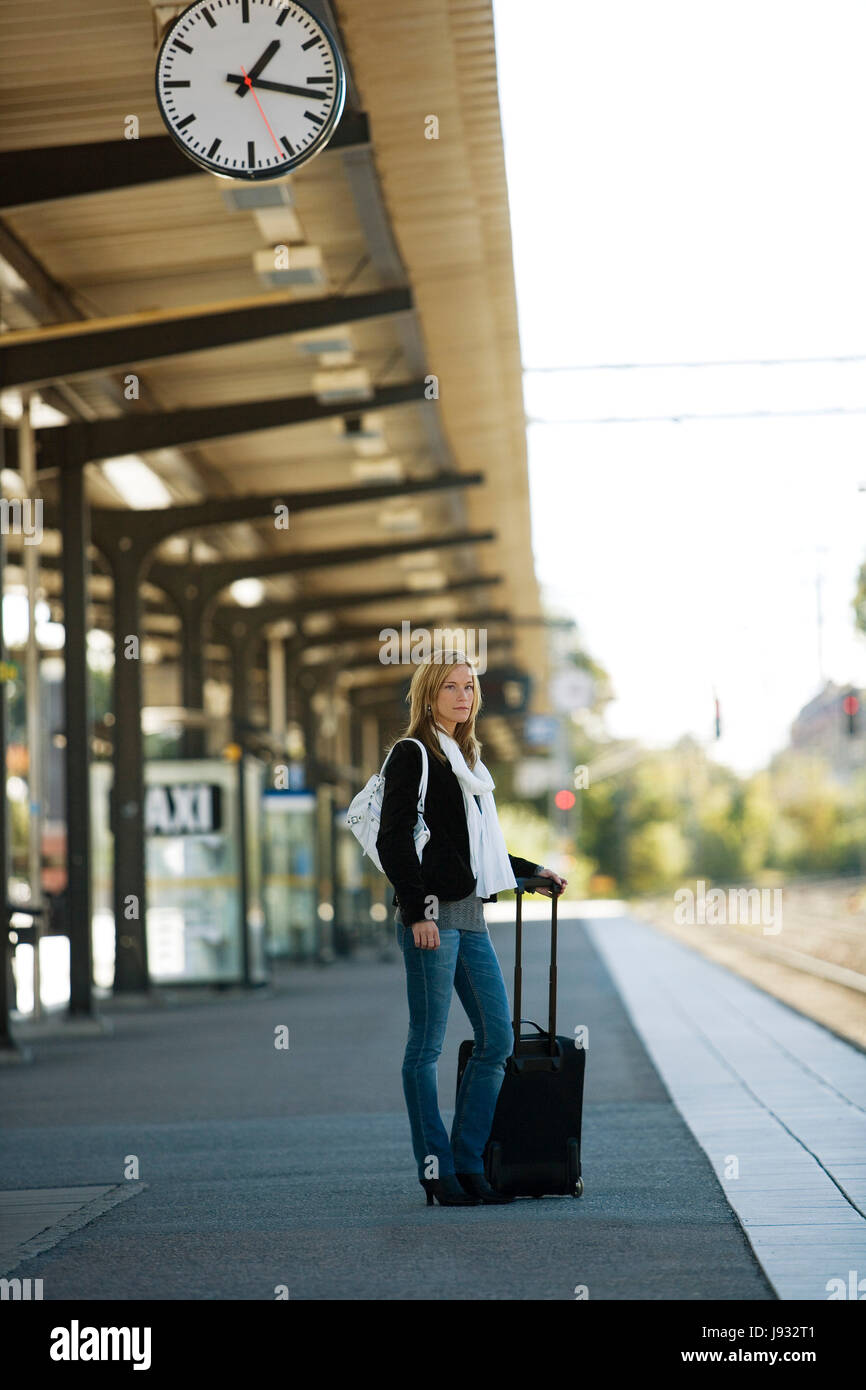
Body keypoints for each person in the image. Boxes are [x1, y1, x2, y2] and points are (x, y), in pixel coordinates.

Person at [376, 652, 567, 1206]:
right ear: (428, 694)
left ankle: (468, 1162)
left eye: (470, 687)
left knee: (498, 1039)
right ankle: (435, 1170)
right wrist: (416, 911)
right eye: (451, 686)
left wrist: (528, 873)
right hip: (433, 915)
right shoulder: (413, 754)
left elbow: (472, 849)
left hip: (470, 915)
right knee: (427, 1046)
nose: (464, 696)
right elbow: (394, 838)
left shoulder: (468, 760)